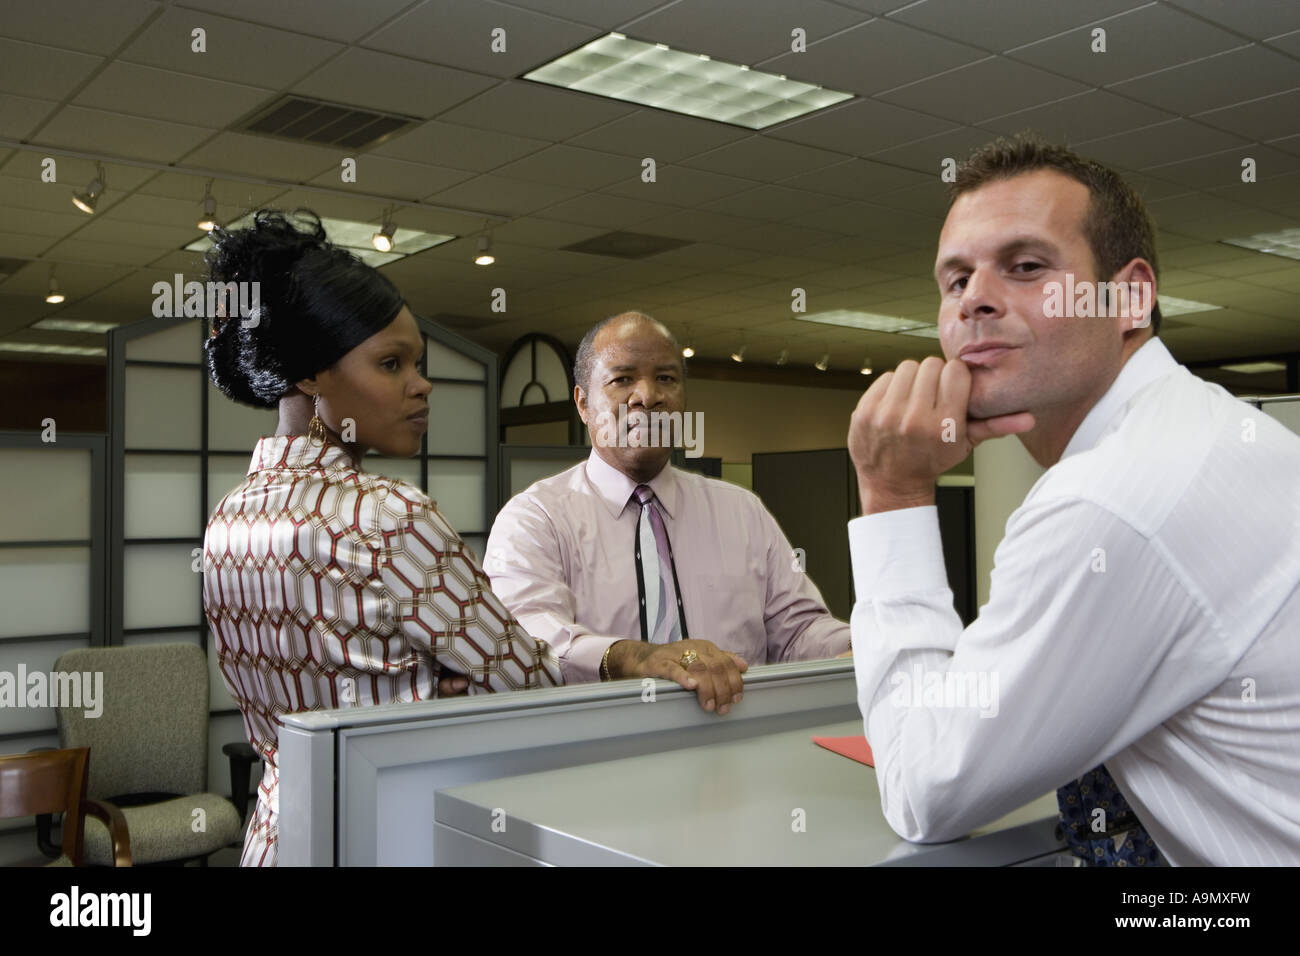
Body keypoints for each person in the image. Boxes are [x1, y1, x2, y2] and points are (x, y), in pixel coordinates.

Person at [845, 133, 1300, 866]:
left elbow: (924, 788)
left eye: (1026, 267)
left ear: (1130, 297)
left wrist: (893, 491)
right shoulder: (1196, 429)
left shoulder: (1113, 499)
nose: (975, 302)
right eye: (955, 280)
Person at [201, 209, 560, 867]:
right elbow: (533, 688)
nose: (422, 386)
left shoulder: (228, 517)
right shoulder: (387, 516)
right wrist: (444, 690)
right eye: (392, 363)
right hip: (390, 834)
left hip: (278, 837)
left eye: (417, 363)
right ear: (308, 374)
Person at [483, 311, 851, 716]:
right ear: (583, 403)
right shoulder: (535, 519)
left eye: (666, 378)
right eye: (622, 379)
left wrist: (857, 646)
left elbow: (798, 630)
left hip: (735, 747)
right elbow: (530, 645)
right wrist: (637, 658)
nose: (648, 395)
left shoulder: (741, 511)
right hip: (595, 757)